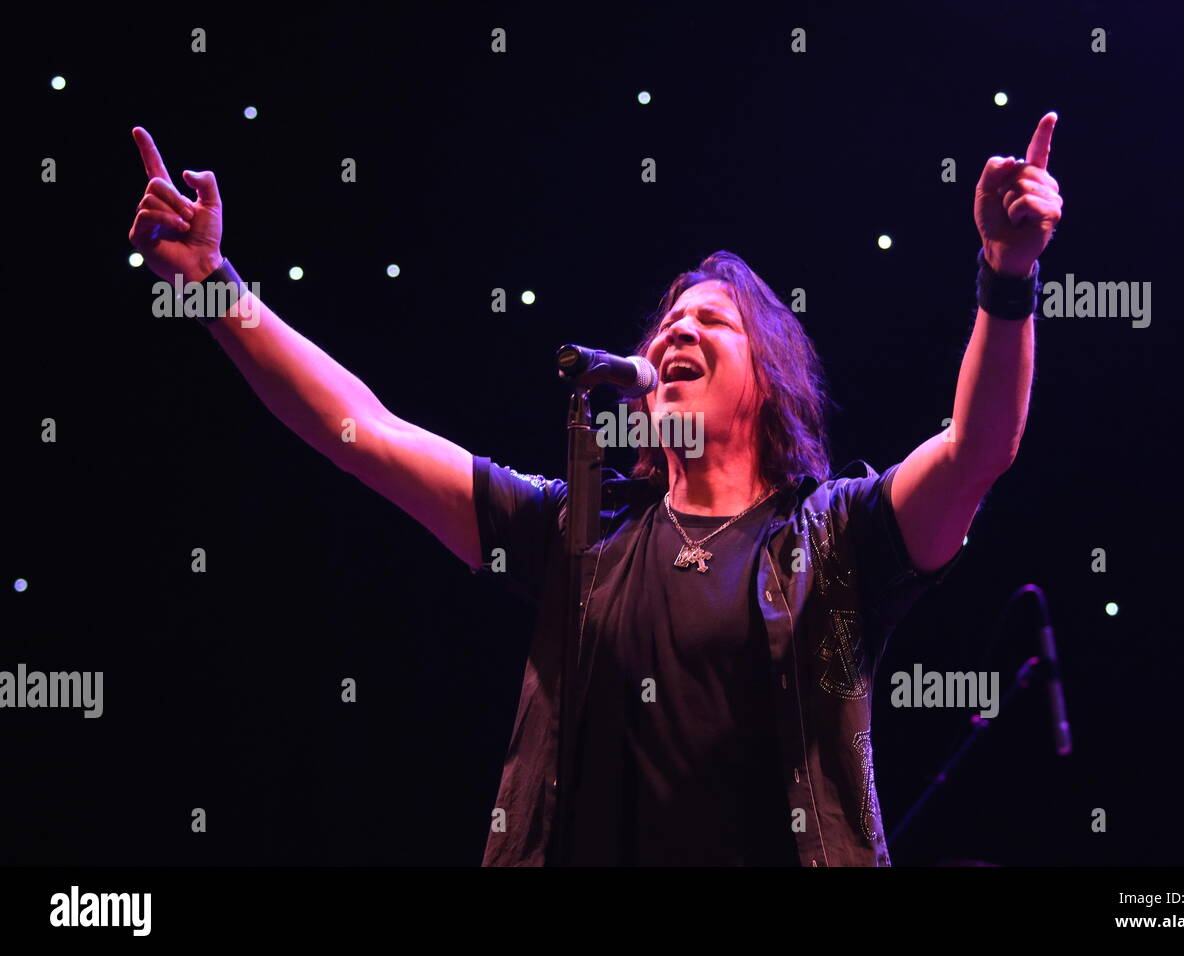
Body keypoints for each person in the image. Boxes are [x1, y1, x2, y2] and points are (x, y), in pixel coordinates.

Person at [127, 113, 1062, 866]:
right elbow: (365, 433)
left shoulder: (839, 539)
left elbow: (978, 447)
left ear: (769, 378)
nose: (672, 337)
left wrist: (1007, 274)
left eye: (710, 323)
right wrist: (216, 289)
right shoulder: (578, 534)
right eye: (665, 326)